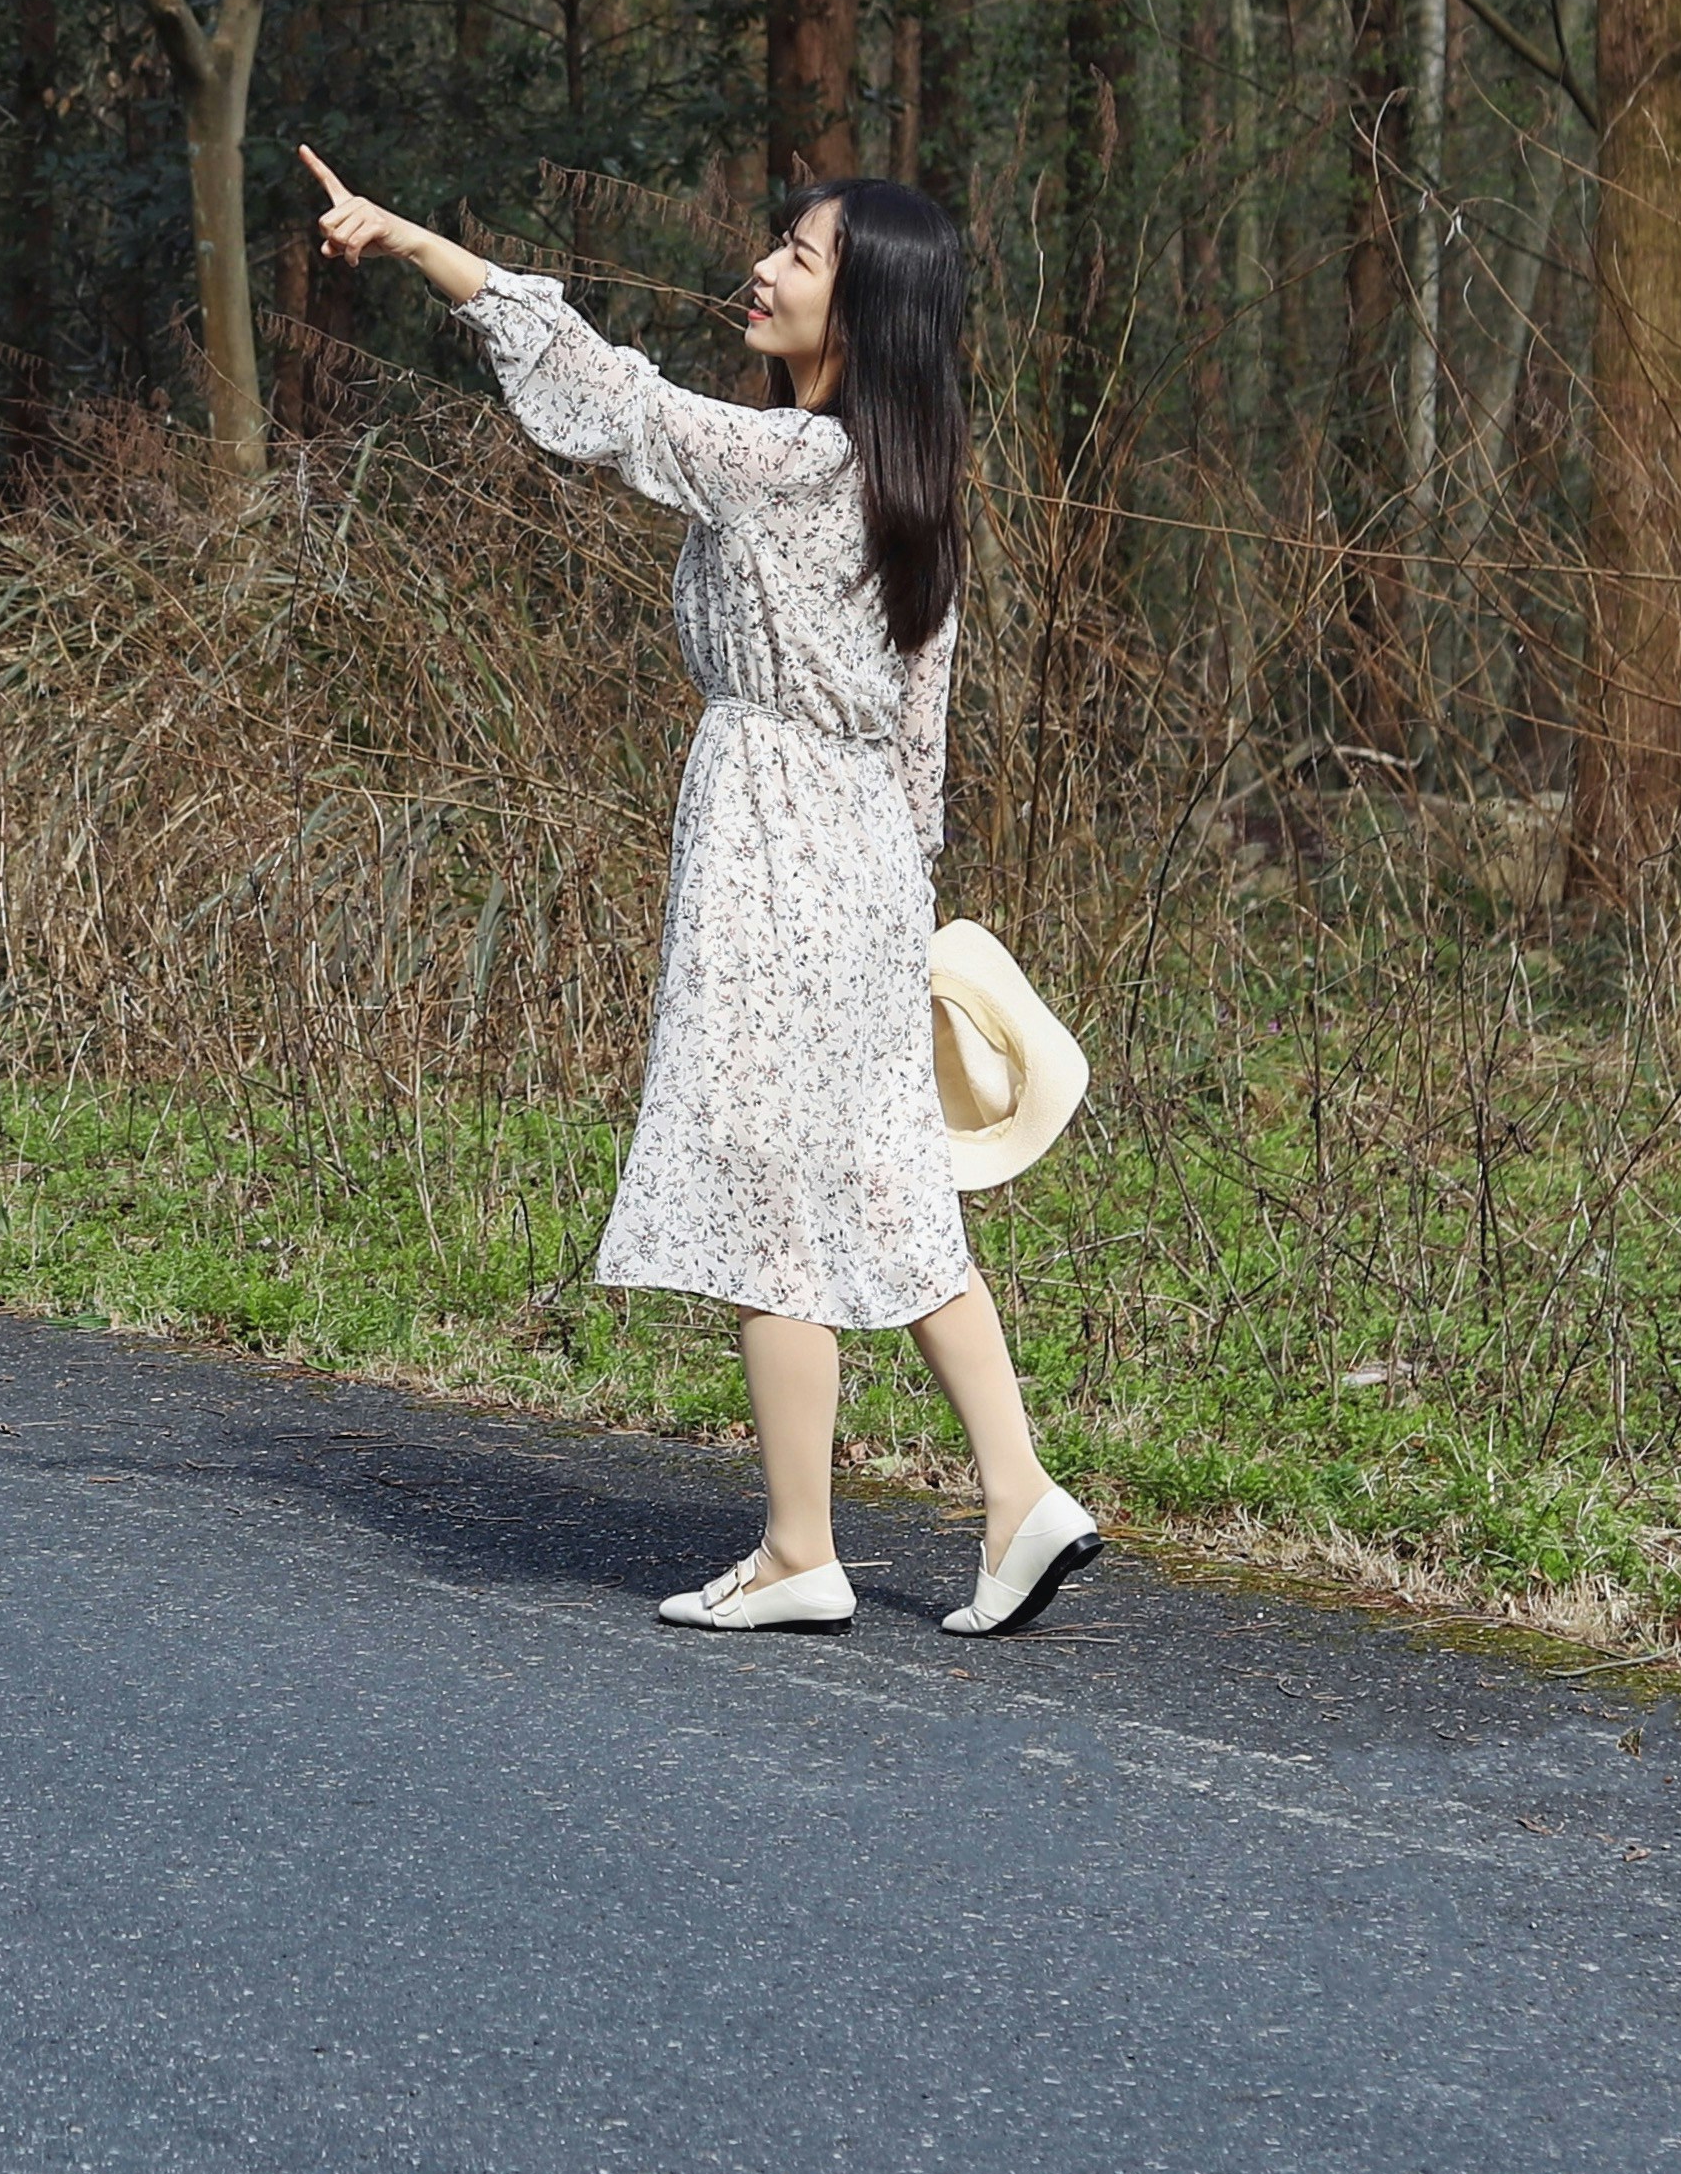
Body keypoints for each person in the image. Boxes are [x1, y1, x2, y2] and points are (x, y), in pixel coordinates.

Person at [297, 145, 1097, 1637]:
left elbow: (610, 397)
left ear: (864, 310)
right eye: (779, 244)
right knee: (877, 1172)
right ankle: (1019, 1493)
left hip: (776, 831)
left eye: (800, 255)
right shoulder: (911, 483)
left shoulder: (792, 464)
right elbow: (924, 729)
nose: (766, 269)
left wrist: (421, 248)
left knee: (759, 1168)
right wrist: (901, 907)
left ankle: (803, 1549)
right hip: (863, 849)